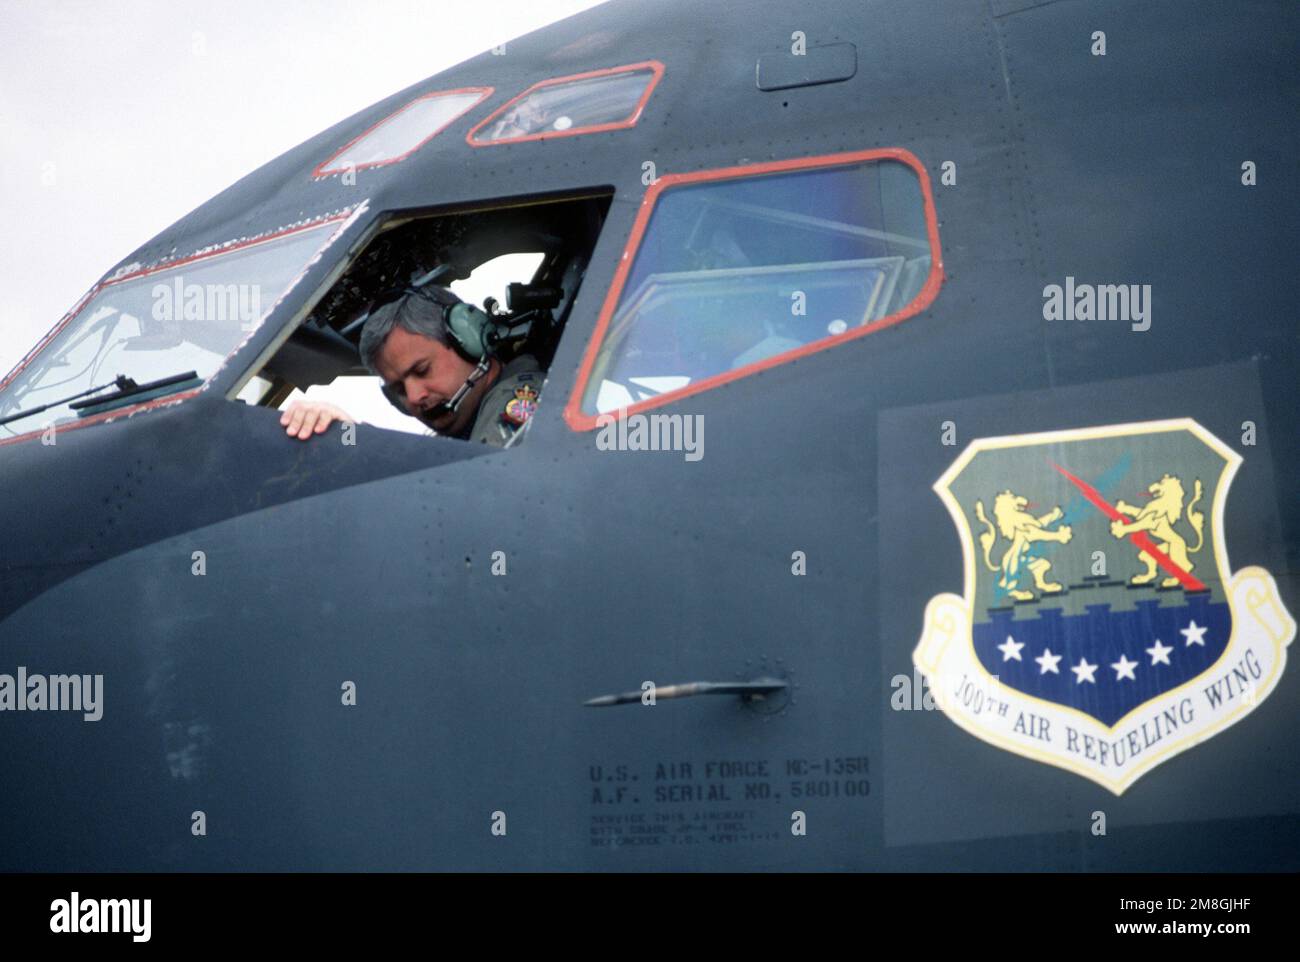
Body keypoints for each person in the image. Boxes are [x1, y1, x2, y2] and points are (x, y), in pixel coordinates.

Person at [280, 287, 542, 446]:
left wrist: (355, 437)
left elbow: (466, 493)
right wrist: (343, 433)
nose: (415, 397)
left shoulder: (523, 401)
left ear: (471, 341)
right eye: (399, 389)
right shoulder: (461, 431)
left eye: (421, 370)